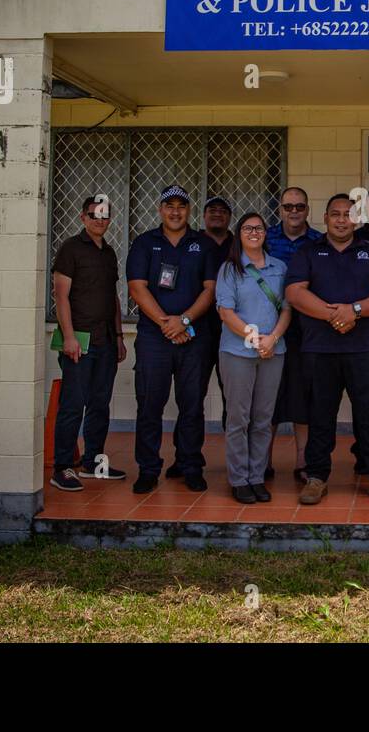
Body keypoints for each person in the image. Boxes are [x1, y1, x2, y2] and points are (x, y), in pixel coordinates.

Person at [285, 194, 369, 506]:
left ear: (357, 219)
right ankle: (316, 478)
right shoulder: (308, 252)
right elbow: (295, 293)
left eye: (347, 214)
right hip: (320, 350)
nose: (341, 220)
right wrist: (336, 314)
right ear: (325, 218)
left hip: (364, 349)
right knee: (320, 416)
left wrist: (356, 310)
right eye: (334, 214)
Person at [125, 186, 220, 494]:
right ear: (160, 209)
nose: (175, 211)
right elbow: (137, 288)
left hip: (194, 337)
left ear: (189, 210)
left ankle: (190, 465)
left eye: (181, 206)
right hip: (155, 337)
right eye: (169, 206)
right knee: (150, 404)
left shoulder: (203, 244)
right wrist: (167, 323)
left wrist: (184, 321)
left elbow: (210, 289)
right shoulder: (144, 243)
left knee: (192, 405)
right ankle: (148, 468)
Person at [49, 195, 128, 491]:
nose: (100, 220)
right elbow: (61, 296)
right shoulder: (71, 248)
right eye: (94, 215)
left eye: (105, 215)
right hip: (79, 341)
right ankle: (62, 467)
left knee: (99, 404)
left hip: (106, 341)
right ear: (83, 217)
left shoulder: (108, 253)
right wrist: (68, 337)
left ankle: (94, 463)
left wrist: (119, 337)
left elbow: (114, 299)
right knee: (72, 405)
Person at [215, 212, 291, 504]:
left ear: (265, 233)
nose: (254, 232)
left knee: (263, 419)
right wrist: (255, 338)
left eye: (259, 228)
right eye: (248, 228)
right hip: (237, 352)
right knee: (238, 418)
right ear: (239, 234)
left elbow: (286, 309)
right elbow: (225, 311)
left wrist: (272, 339)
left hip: (274, 351)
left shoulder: (280, 268)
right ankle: (239, 479)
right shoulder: (229, 270)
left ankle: (257, 477)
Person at [266, 186, 324, 483]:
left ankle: (303, 461)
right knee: (269, 397)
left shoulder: (318, 241)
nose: (293, 212)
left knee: (305, 397)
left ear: (307, 210)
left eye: (299, 207)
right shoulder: (265, 238)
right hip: (269, 328)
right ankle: (263, 460)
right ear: (280, 209)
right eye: (288, 207)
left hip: (307, 330)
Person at [199, 196, 233, 429]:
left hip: (232, 332)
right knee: (192, 396)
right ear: (204, 216)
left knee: (232, 396)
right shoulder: (193, 242)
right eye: (212, 210)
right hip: (199, 331)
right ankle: (189, 460)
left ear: (230, 217)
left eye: (223, 210)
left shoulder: (239, 244)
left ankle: (235, 460)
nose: (217, 214)